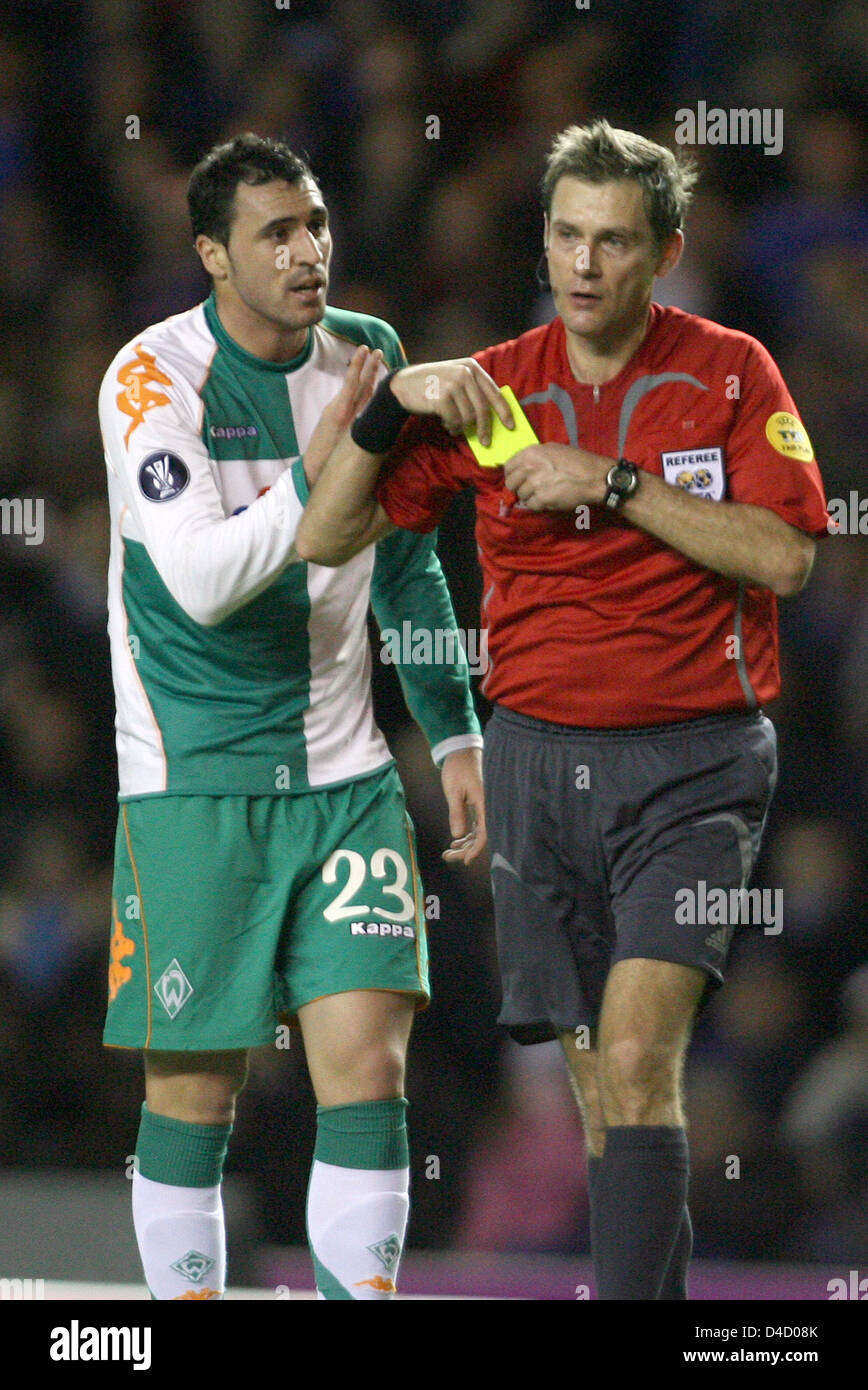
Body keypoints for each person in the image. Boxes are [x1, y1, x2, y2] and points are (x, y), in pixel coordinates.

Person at [295, 120, 830, 1300]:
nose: (586, 265)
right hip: (537, 762)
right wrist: (396, 407)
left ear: (666, 251)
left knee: (640, 1053)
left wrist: (616, 484)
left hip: (694, 761)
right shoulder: (493, 388)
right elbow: (324, 535)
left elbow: (785, 558)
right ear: (542, 240)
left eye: (616, 242)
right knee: (601, 1094)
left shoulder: (731, 371)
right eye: (567, 237)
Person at [98, 133, 487, 1301]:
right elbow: (207, 582)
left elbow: (408, 558)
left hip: (345, 770)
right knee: (195, 1092)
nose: (308, 249)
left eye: (315, 222)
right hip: (192, 775)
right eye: (275, 231)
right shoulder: (150, 379)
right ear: (214, 253)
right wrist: (341, 457)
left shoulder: (368, 353)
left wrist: (454, 729)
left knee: (368, 1068)